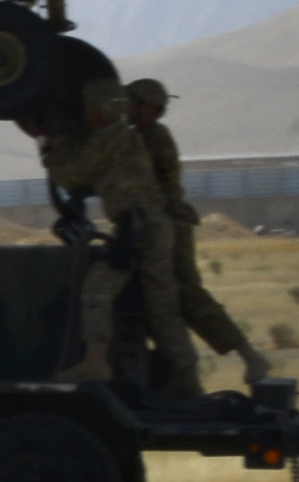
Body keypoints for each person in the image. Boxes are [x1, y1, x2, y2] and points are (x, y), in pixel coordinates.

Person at [121, 78, 285, 396]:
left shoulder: (153, 137)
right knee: (168, 299)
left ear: (149, 108)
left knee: (186, 296)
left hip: (169, 227)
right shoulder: (142, 136)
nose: (127, 110)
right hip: (159, 226)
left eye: (133, 104)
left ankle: (248, 357)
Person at [38, 79, 198, 395]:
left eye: (90, 108)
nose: (87, 113)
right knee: (162, 307)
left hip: (136, 228)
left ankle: (96, 361)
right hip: (152, 226)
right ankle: (188, 378)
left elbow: (72, 175)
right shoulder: (126, 138)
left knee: (97, 289)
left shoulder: (109, 139)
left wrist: (51, 152)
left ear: (100, 110)